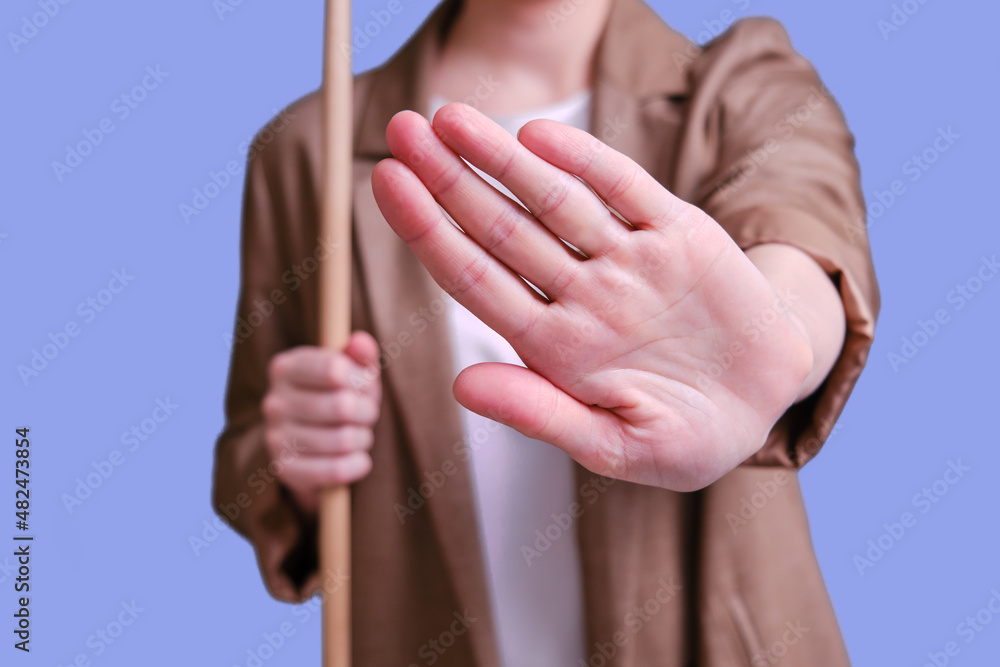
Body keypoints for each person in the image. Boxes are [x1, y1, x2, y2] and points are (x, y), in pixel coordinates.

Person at [212, 0, 879, 664]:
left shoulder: (745, 84)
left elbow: (801, 220)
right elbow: (250, 462)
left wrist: (779, 332)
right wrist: (296, 458)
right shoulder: (306, 151)